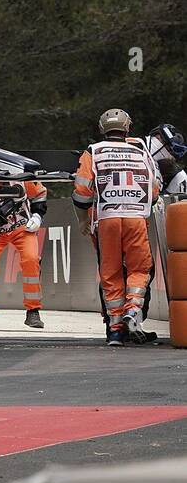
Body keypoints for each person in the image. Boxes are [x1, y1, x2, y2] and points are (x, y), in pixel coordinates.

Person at [72, 108, 160, 346]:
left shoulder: (93, 151)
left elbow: (81, 193)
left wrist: (82, 220)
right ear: (128, 128)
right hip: (136, 218)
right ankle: (133, 309)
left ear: (102, 129)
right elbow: (153, 193)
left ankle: (115, 331)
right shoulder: (141, 150)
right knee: (140, 269)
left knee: (110, 273)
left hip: (106, 219)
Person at [0, 180, 48, 332]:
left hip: (23, 229)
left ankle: (33, 311)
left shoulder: (20, 175)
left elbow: (40, 193)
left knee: (31, 259)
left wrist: (37, 216)